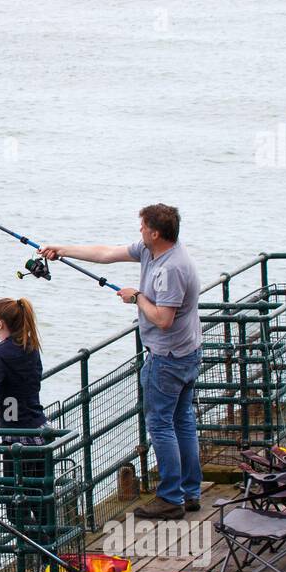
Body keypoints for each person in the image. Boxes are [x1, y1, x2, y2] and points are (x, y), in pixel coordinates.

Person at [40, 204, 203, 520]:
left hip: (169, 358)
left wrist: (137, 297)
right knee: (182, 419)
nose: (139, 230)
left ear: (155, 232)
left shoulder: (172, 269)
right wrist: (63, 250)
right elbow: (106, 253)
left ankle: (171, 498)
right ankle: (189, 491)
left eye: (142, 226)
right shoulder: (150, 250)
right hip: (184, 353)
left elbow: (164, 319)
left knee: (161, 424)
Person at [0, 297, 49, 528]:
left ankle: (41, 551)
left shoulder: (2, 354)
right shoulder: (30, 346)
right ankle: (50, 548)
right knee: (41, 500)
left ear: (0, 324)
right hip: (39, 429)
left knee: (15, 505)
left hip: (17, 437)